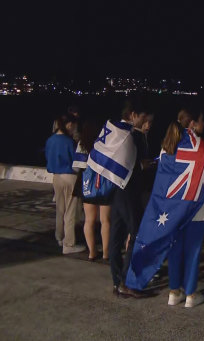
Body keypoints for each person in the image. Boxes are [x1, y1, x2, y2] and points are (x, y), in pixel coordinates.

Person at [125, 111, 204, 307]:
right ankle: (191, 293)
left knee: (174, 249)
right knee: (193, 251)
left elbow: (164, 183)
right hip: (196, 209)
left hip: (172, 211)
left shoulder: (167, 147)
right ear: (192, 123)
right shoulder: (200, 146)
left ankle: (174, 292)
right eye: (202, 120)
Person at [108, 99, 149, 297]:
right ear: (133, 115)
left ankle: (116, 281)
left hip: (116, 189)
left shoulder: (114, 132)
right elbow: (137, 165)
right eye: (143, 117)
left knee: (116, 237)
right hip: (128, 191)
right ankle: (126, 281)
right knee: (135, 234)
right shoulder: (130, 136)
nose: (144, 120)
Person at [45, 114, 86, 254]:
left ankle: (59, 237)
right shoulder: (69, 141)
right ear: (68, 124)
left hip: (56, 177)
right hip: (70, 177)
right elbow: (77, 162)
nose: (74, 128)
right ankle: (69, 244)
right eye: (73, 125)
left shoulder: (50, 140)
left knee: (60, 209)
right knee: (70, 211)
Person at [75, 118, 112, 261]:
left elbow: (77, 165)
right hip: (104, 186)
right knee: (105, 220)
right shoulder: (105, 144)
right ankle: (106, 253)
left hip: (87, 186)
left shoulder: (82, 144)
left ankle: (92, 252)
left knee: (89, 220)